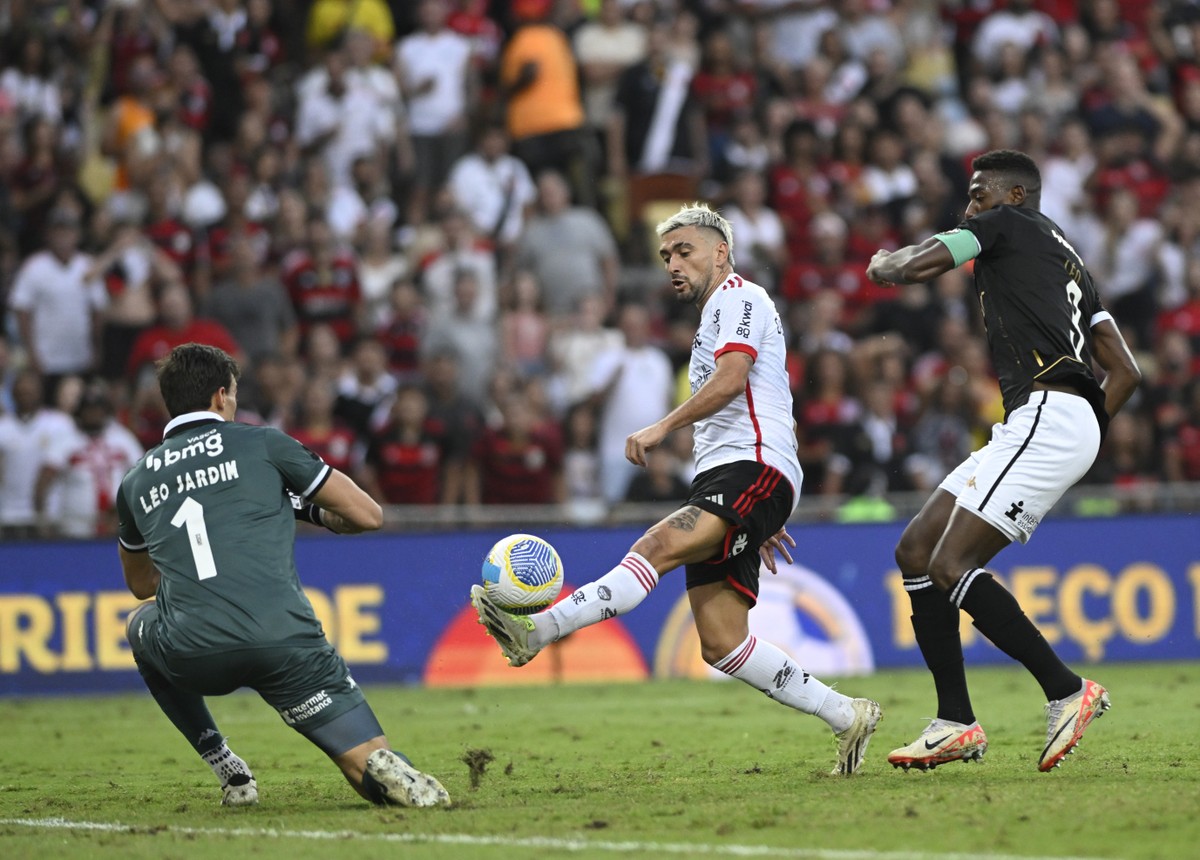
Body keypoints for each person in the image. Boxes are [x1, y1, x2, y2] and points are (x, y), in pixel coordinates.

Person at [471, 203, 882, 775]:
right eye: (666, 255)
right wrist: (756, 515)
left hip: (751, 468)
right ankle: (846, 714)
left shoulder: (740, 296)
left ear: (720, 251)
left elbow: (734, 379)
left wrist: (664, 427)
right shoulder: (715, 314)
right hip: (742, 479)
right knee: (721, 642)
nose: (673, 263)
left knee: (654, 548)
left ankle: (537, 629)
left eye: (684, 250)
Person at [864, 149, 1142, 772]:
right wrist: (1087, 438)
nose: (970, 207)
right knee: (916, 551)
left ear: (1015, 196)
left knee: (951, 562)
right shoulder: (1070, 261)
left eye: (978, 193)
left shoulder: (1004, 226)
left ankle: (1066, 690)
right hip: (1049, 419)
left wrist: (885, 265)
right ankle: (954, 721)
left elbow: (919, 266)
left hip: (1047, 411)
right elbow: (1125, 370)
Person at [116, 343, 450, 808]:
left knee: (138, 624)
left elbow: (140, 585)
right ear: (219, 397)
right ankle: (385, 769)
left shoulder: (135, 480)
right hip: (284, 641)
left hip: (193, 650)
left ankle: (221, 760)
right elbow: (367, 516)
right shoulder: (262, 443)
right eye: (232, 393)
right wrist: (297, 506)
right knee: (367, 762)